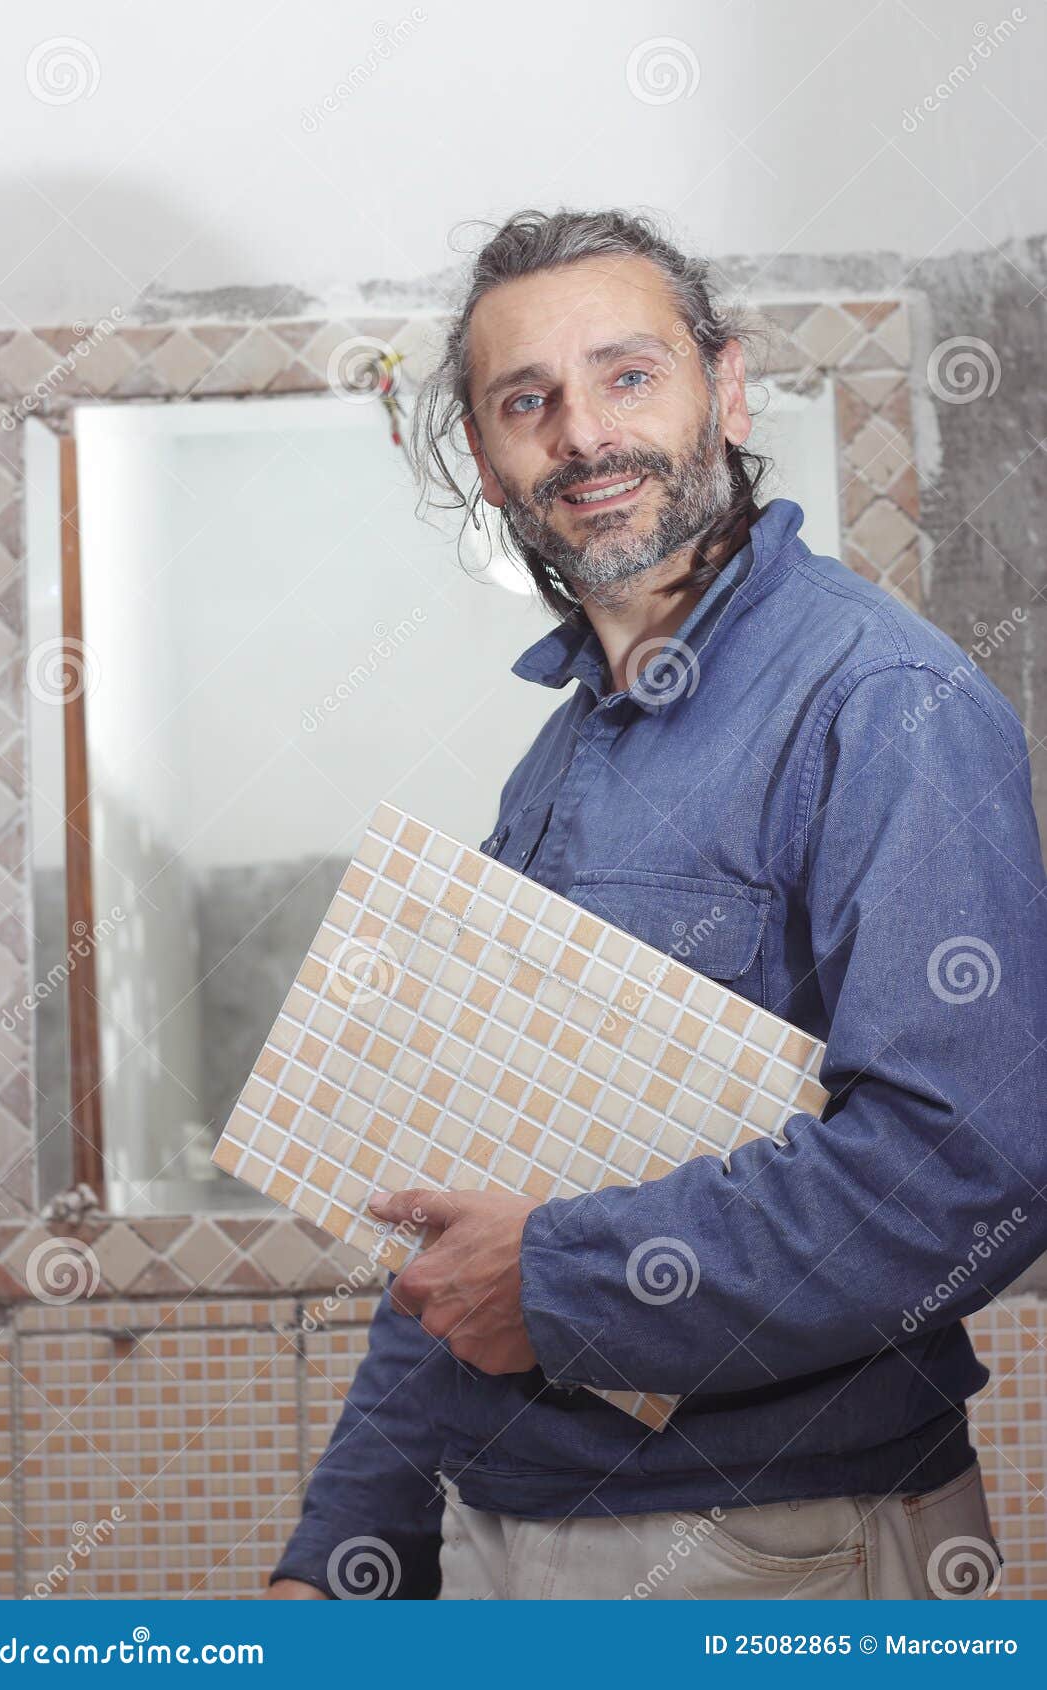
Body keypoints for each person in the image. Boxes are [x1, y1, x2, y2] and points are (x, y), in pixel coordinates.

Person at [266, 208, 1046, 1601]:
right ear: (492, 464)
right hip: (503, 1530)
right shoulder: (554, 768)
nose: (583, 434)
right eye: (528, 401)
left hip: (780, 1548)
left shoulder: (884, 705)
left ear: (727, 390)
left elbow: (969, 1168)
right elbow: (450, 1231)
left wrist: (559, 1280)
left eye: (628, 375)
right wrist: (344, 1557)